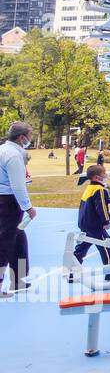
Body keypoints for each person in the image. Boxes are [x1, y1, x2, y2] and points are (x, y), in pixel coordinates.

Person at [0, 121, 35, 297]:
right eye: (29, 135)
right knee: (5, 242)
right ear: (22, 138)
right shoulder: (13, 156)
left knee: (18, 237)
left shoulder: (3, 150)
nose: (31, 139)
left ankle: (18, 279)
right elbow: (18, 186)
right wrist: (28, 207)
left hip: (4, 201)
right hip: (8, 202)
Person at [73, 164, 110, 281]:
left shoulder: (89, 188)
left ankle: (71, 272)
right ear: (97, 177)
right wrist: (106, 221)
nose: (106, 175)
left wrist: (109, 216)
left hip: (85, 224)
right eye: (104, 173)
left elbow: (91, 208)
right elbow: (101, 208)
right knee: (107, 247)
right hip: (95, 226)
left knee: (81, 249)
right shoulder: (100, 190)